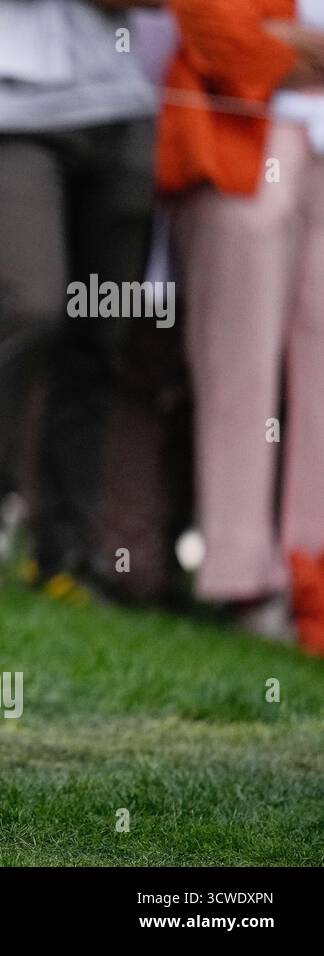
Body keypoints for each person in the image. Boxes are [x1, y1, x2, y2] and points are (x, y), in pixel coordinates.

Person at [0, 0, 160, 595]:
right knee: (33, 308)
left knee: (99, 336)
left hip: (120, 111)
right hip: (5, 118)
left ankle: (66, 556)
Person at [159, 0, 324, 638]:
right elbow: (216, 33)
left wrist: (292, 43)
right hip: (241, 140)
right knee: (240, 374)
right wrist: (281, 51)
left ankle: (313, 575)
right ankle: (244, 578)